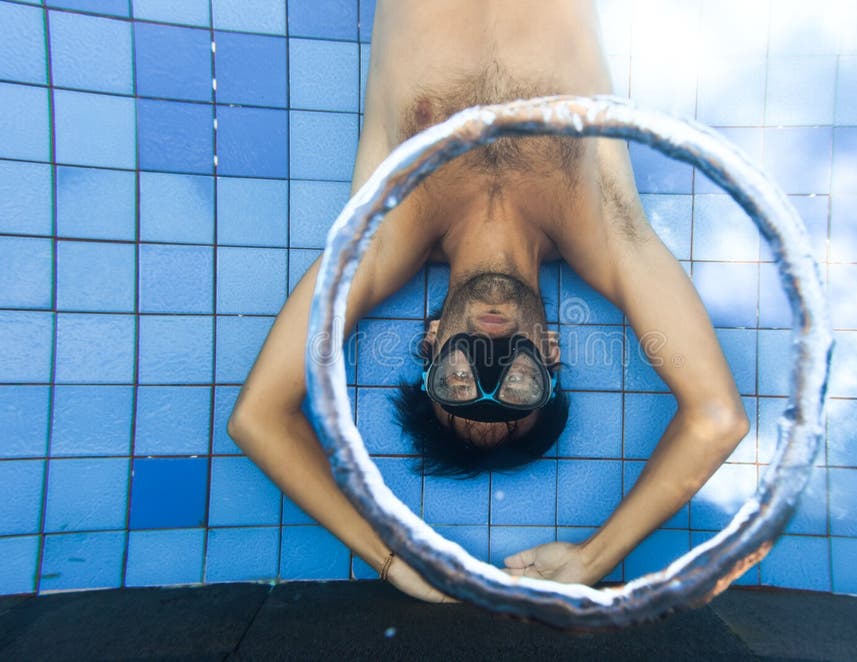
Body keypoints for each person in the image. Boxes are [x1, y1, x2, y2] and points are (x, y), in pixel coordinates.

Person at [227, 0, 749, 603]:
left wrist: (392, 559)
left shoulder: (381, 236)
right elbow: (717, 418)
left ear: (430, 343)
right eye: (518, 384)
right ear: (549, 352)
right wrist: (592, 558)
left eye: (458, 379)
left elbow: (258, 418)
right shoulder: (608, 233)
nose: (489, 358)